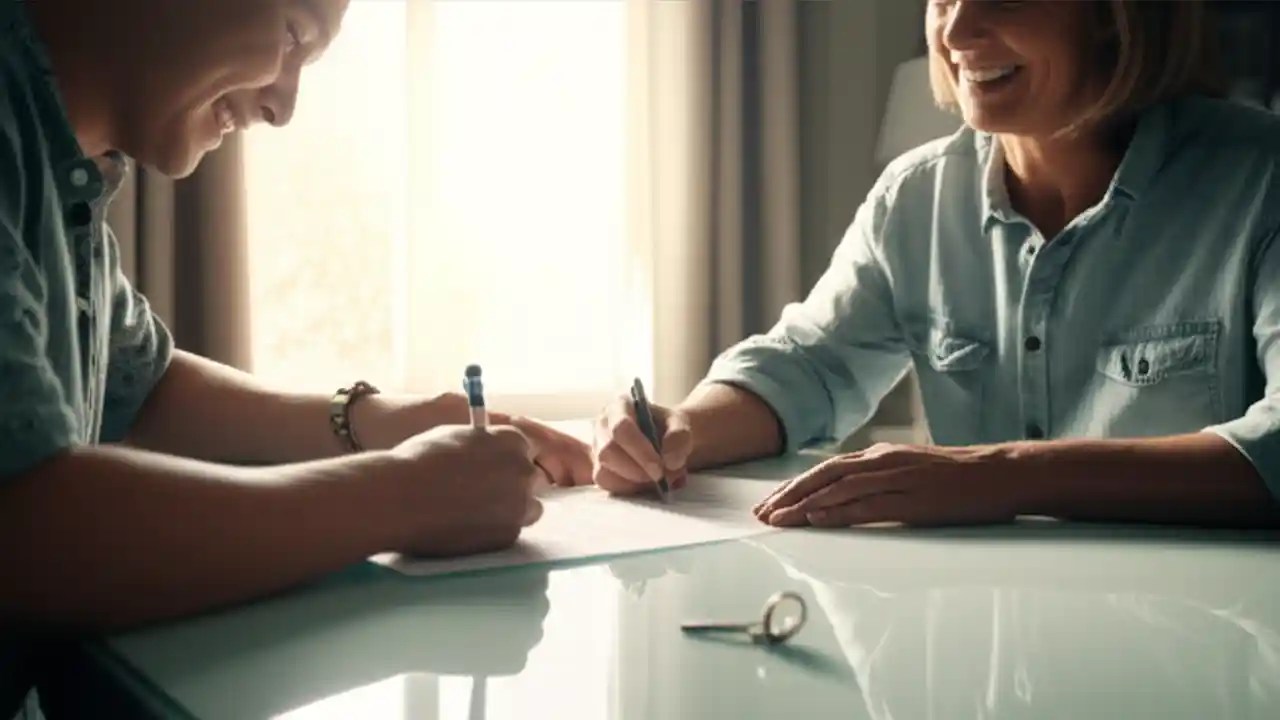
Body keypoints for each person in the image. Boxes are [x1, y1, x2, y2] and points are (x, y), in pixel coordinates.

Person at [0, 0, 594, 711]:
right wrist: (405, 496)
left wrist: (376, 420)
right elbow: (28, 520)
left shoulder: (55, 158)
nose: (282, 106)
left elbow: (145, 387)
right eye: (291, 35)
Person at [594, 0, 1280, 529]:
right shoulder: (916, 197)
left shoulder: (1261, 180)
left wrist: (1004, 475)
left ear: (1114, 15)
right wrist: (677, 430)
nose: (955, 33)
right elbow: (808, 367)